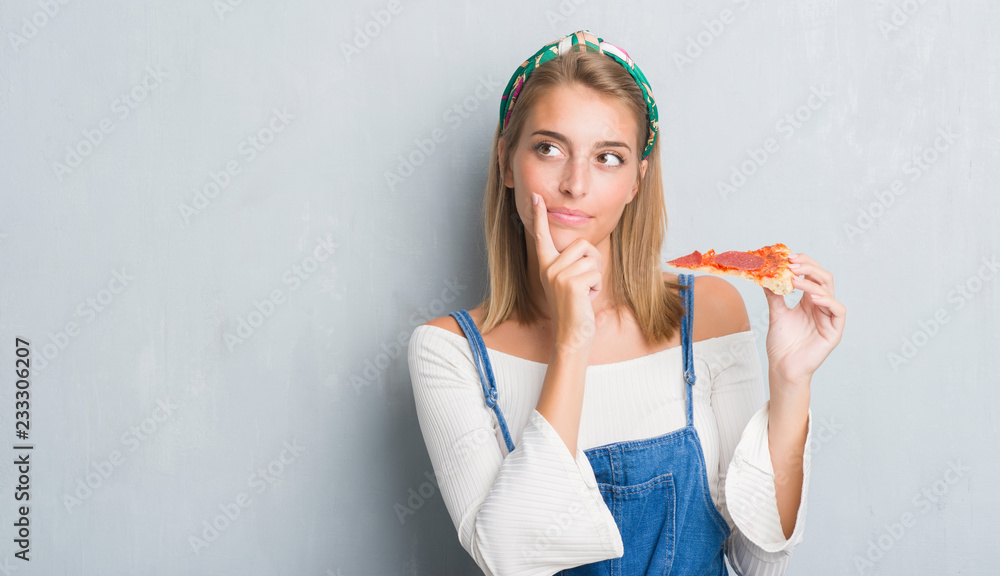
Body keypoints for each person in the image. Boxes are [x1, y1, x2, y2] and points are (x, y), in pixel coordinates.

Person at [407, 30, 846, 575]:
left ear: (638, 179)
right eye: (548, 148)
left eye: (608, 157)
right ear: (505, 162)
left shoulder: (706, 312)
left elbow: (759, 561)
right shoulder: (448, 353)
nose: (575, 183)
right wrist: (572, 341)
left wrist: (791, 386)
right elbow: (513, 560)